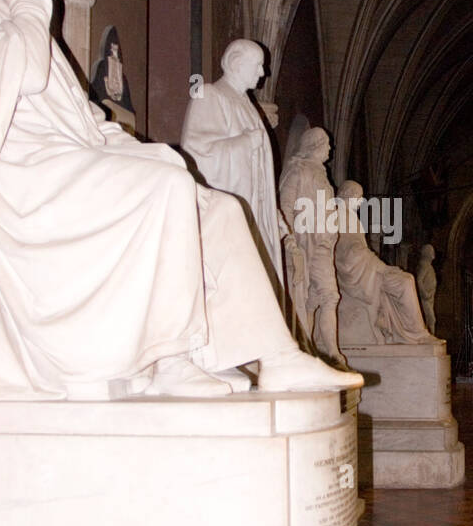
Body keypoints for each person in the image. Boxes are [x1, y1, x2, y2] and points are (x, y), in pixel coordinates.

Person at [0, 0, 361, 400]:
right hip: (18, 182)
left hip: (67, 166)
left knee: (217, 208)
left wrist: (131, 147)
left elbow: (83, 119)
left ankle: (276, 356)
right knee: (165, 186)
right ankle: (168, 357)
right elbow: (23, 73)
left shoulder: (22, 19)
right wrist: (27, 0)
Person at [181, 39, 282, 283]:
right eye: (257, 65)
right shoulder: (210, 94)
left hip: (255, 212)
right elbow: (197, 153)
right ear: (237, 64)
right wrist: (245, 143)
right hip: (230, 215)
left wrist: (269, 210)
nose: (262, 72)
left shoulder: (247, 105)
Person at [335, 180, 432, 345]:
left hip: (368, 270)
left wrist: (380, 267)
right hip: (359, 275)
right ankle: (416, 335)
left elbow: (358, 251)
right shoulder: (338, 217)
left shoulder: (349, 218)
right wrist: (382, 268)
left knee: (406, 280)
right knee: (405, 282)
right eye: (357, 197)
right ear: (346, 195)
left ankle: (414, 334)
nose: (360, 202)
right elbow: (349, 254)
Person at [279, 127, 344, 364]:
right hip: (305, 242)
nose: (330, 148)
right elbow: (285, 206)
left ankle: (330, 351)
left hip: (324, 245)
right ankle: (309, 348)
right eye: (326, 144)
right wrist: (290, 240)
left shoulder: (321, 174)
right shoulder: (297, 171)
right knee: (309, 296)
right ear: (315, 146)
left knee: (328, 296)